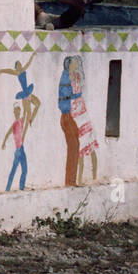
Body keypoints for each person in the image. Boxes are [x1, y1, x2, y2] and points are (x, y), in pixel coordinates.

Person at [58, 57, 81, 186]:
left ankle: (71, 180)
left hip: (68, 116)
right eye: (73, 64)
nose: (75, 66)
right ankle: (70, 180)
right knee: (74, 146)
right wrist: (76, 95)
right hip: (66, 116)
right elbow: (65, 95)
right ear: (69, 65)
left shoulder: (67, 76)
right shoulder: (66, 77)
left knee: (75, 144)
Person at [2, 101, 31, 191]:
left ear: (20, 110)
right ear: (14, 112)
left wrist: (26, 101)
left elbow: (26, 113)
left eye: (18, 109)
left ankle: (21, 187)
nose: (17, 111)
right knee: (14, 170)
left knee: (24, 170)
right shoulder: (15, 124)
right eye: (16, 110)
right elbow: (7, 133)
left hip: (21, 149)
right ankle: (8, 188)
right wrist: (4, 142)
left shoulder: (21, 121)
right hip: (18, 150)